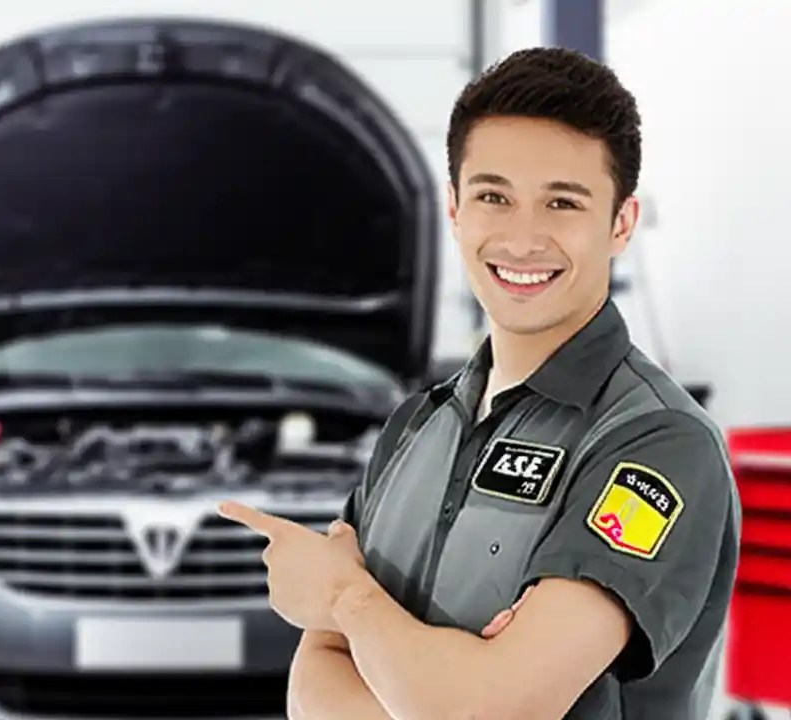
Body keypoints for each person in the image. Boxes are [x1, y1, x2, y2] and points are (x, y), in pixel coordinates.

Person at [219, 47, 741, 719]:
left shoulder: (657, 445)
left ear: (620, 224)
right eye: (495, 196)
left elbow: (494, 713)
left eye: (562, 202)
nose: (523, 238)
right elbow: (313, 691)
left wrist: (346, 598)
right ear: (456, 210)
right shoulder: (415, 426)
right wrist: (449, 686)